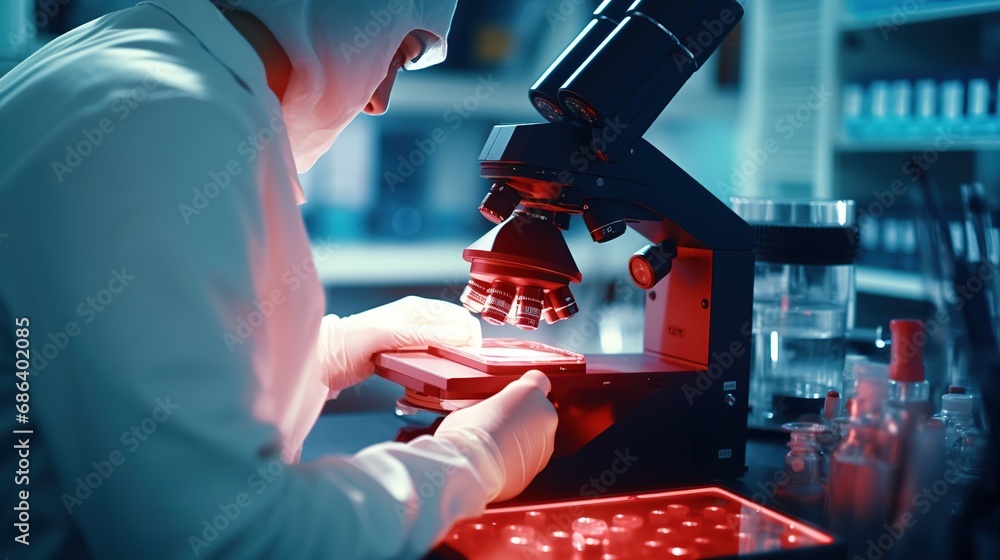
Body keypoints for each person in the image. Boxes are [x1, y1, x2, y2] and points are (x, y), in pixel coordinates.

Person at [0, 1, 558, 558]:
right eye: (396, 54)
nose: (378, 101)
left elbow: (103, 375)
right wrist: (470, 460)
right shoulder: (171, 119)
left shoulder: (126, 58)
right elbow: (227, 539)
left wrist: (323, 358)